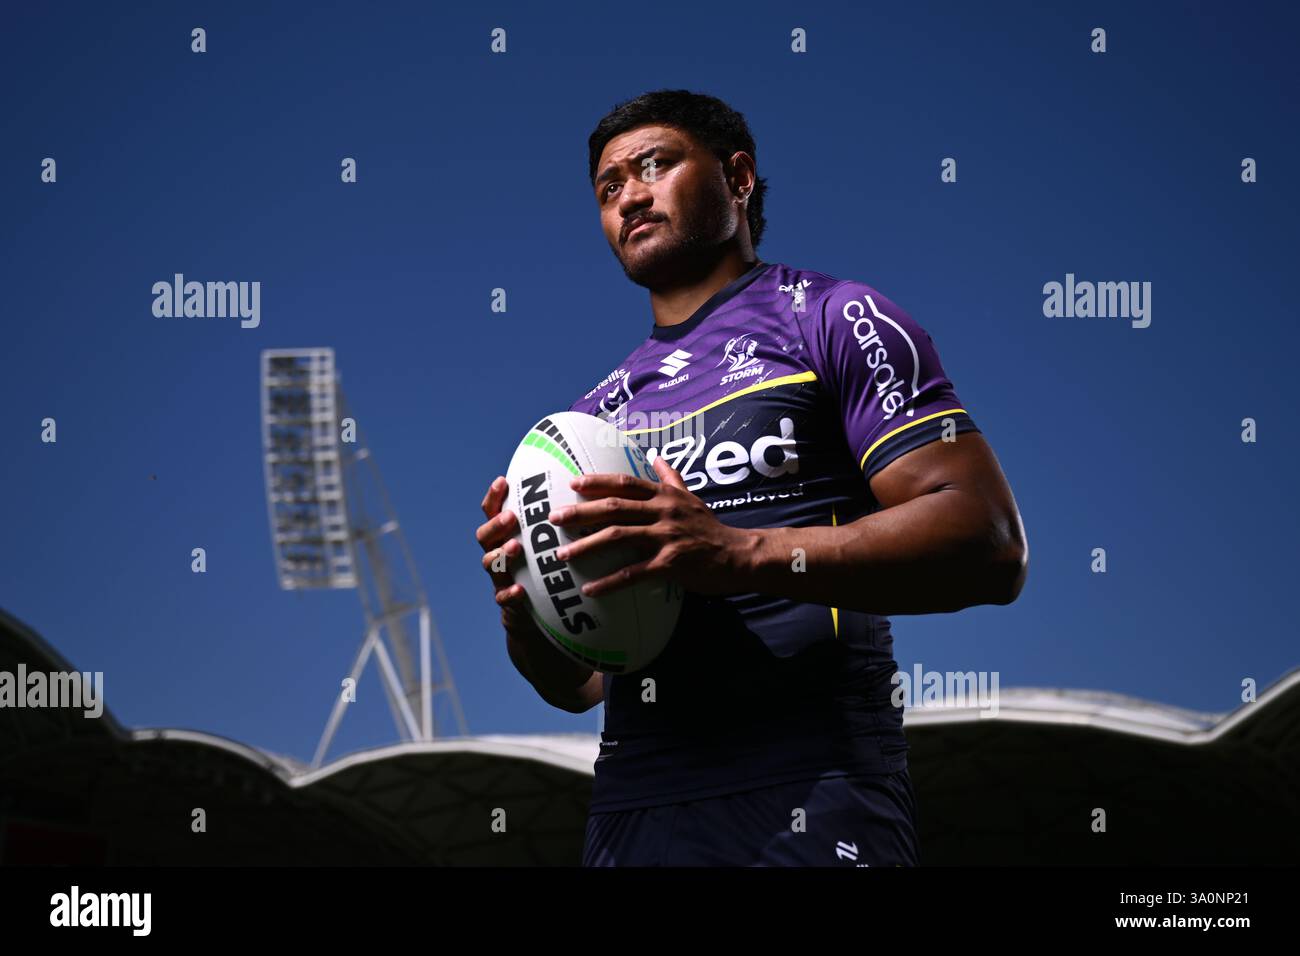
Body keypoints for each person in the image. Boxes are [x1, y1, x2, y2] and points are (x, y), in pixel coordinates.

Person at [475, 89, 1027, 866]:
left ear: (737, 177)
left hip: (817, 786)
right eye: (608, 188)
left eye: (655, 165)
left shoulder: (834, 318)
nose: (630, 194)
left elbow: (988, 540)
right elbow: (579, 685)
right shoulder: (592, 418)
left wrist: (735, 552)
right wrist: (527, 611)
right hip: (638, 810)